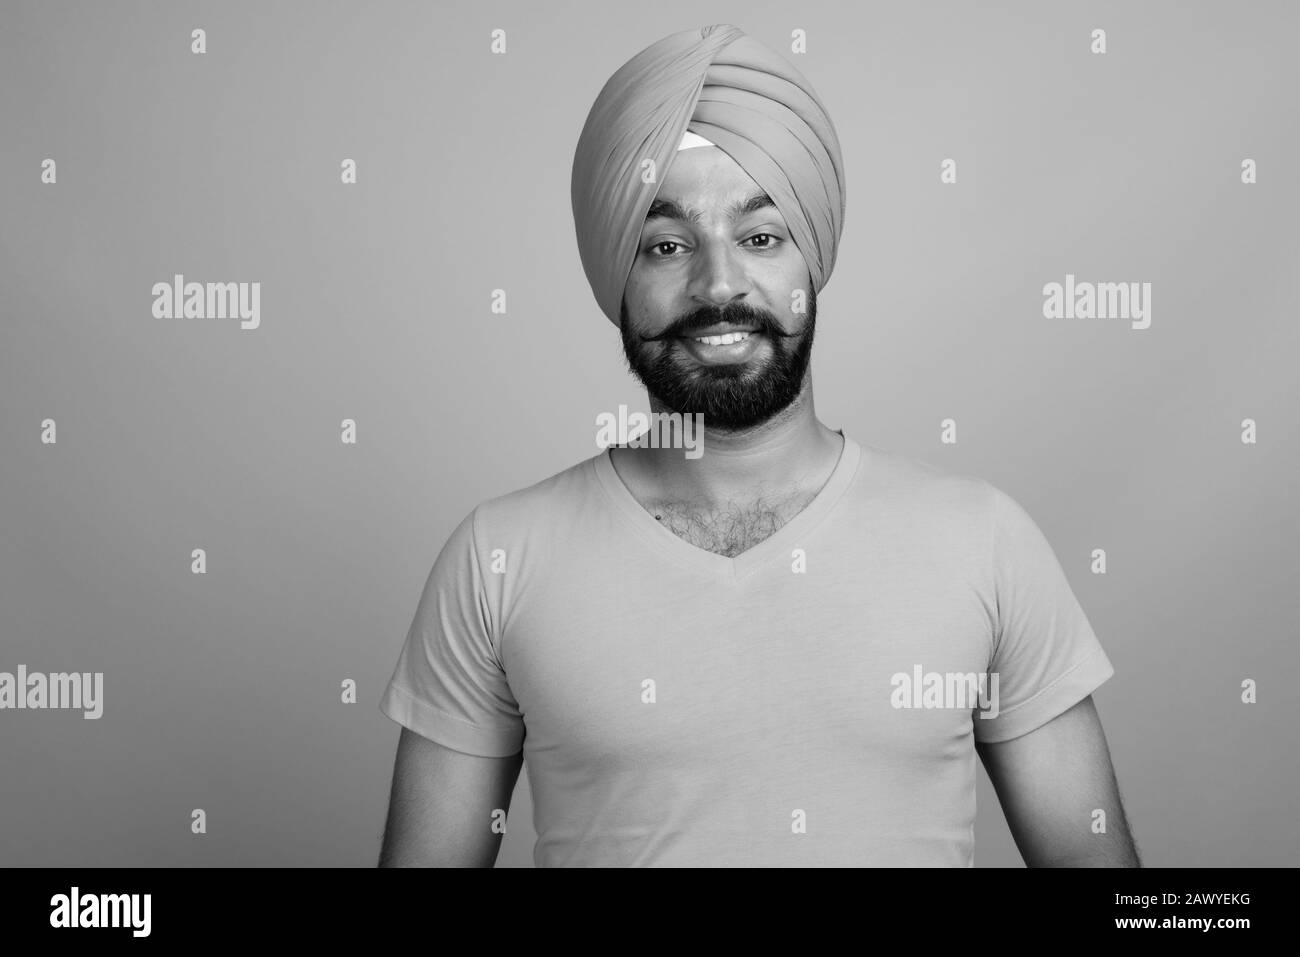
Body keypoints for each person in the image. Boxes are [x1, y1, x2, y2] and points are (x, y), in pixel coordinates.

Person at [377, 23, 1140, 867]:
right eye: (666, 245)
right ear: (615, 281)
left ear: (811, 260)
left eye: (761, 236)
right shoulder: (499, 556)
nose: (719, 285)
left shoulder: (984, 542)